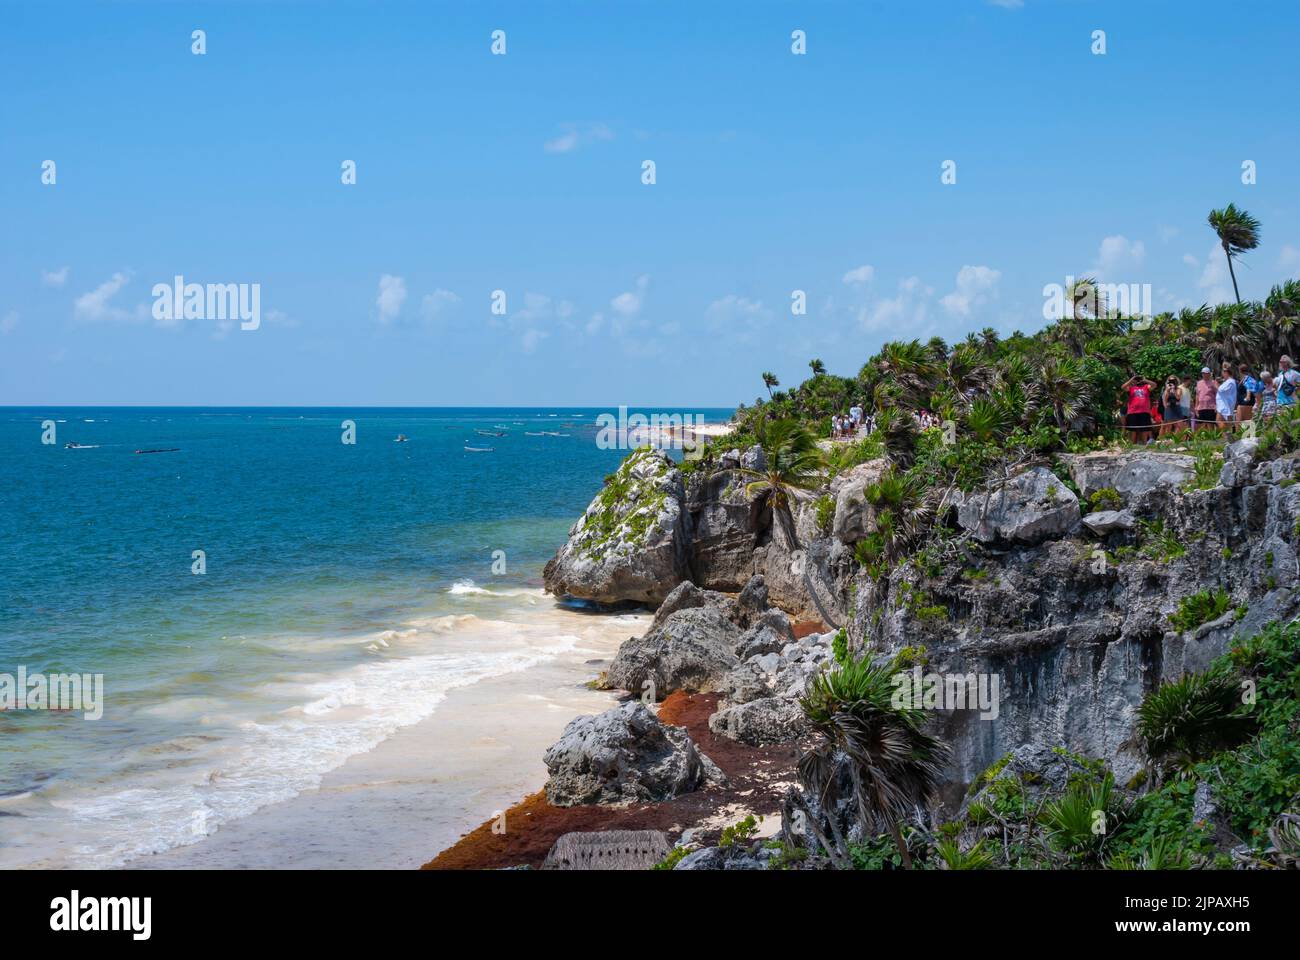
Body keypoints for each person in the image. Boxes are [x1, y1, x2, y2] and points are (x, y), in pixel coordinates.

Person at [1121, 374, 1155, 444]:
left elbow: (1154, 385)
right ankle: (1133, 445)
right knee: (1133, 430)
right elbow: (1123, 387)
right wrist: (1132, 379)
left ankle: (1144, 445)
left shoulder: (1146, 387)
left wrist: (1145, 380)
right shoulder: (1131, 388)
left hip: (1144, 411)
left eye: (1139, 380)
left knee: (1144, 429)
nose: (1138, 381)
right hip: (1133, 412)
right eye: (1137, 380)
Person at [1216, 362, 1238, 431]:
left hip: (1225, 406)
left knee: (1219, 420)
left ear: (1226, 372)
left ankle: (1227, 436)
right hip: (1222, 405)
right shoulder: (1227, 381)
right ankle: (1229, 437)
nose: (1222, 374)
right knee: (1227, 423)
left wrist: (1216, 385)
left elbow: (1221, 390)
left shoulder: (1230, 381)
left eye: (1223, 372)